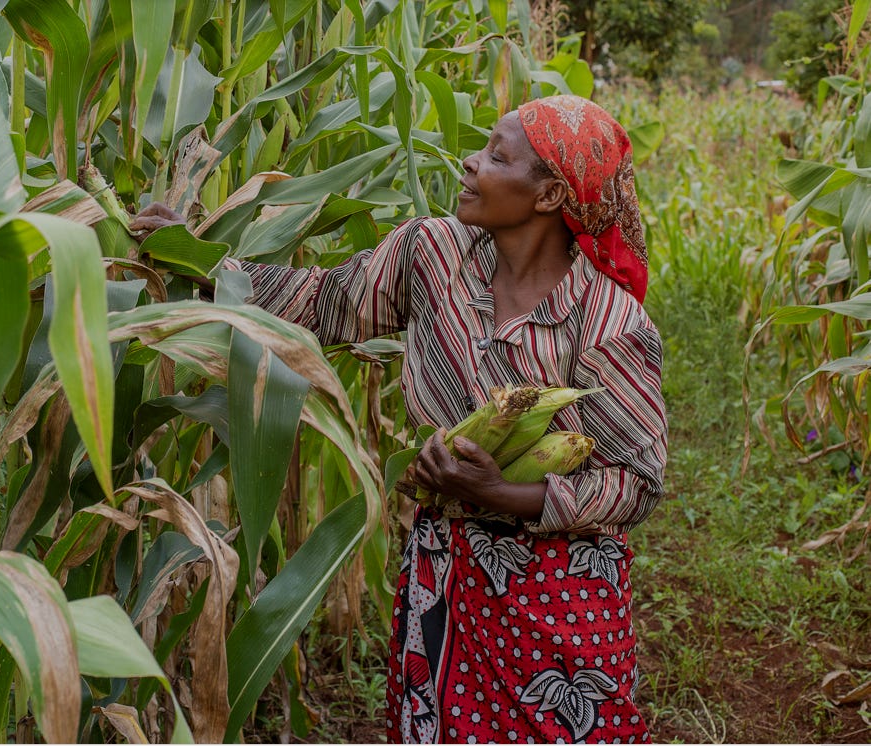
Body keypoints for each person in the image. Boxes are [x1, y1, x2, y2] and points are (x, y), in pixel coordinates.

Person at [131, 94, 666, 744]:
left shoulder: (609, 322)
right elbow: (325, 302)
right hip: (444, 566)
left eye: (496, 156)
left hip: (556, 587)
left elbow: (635, 482)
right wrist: (200, 263)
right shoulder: (431, 255)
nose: (470, 165)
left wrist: (505, 495)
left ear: (551, 193)